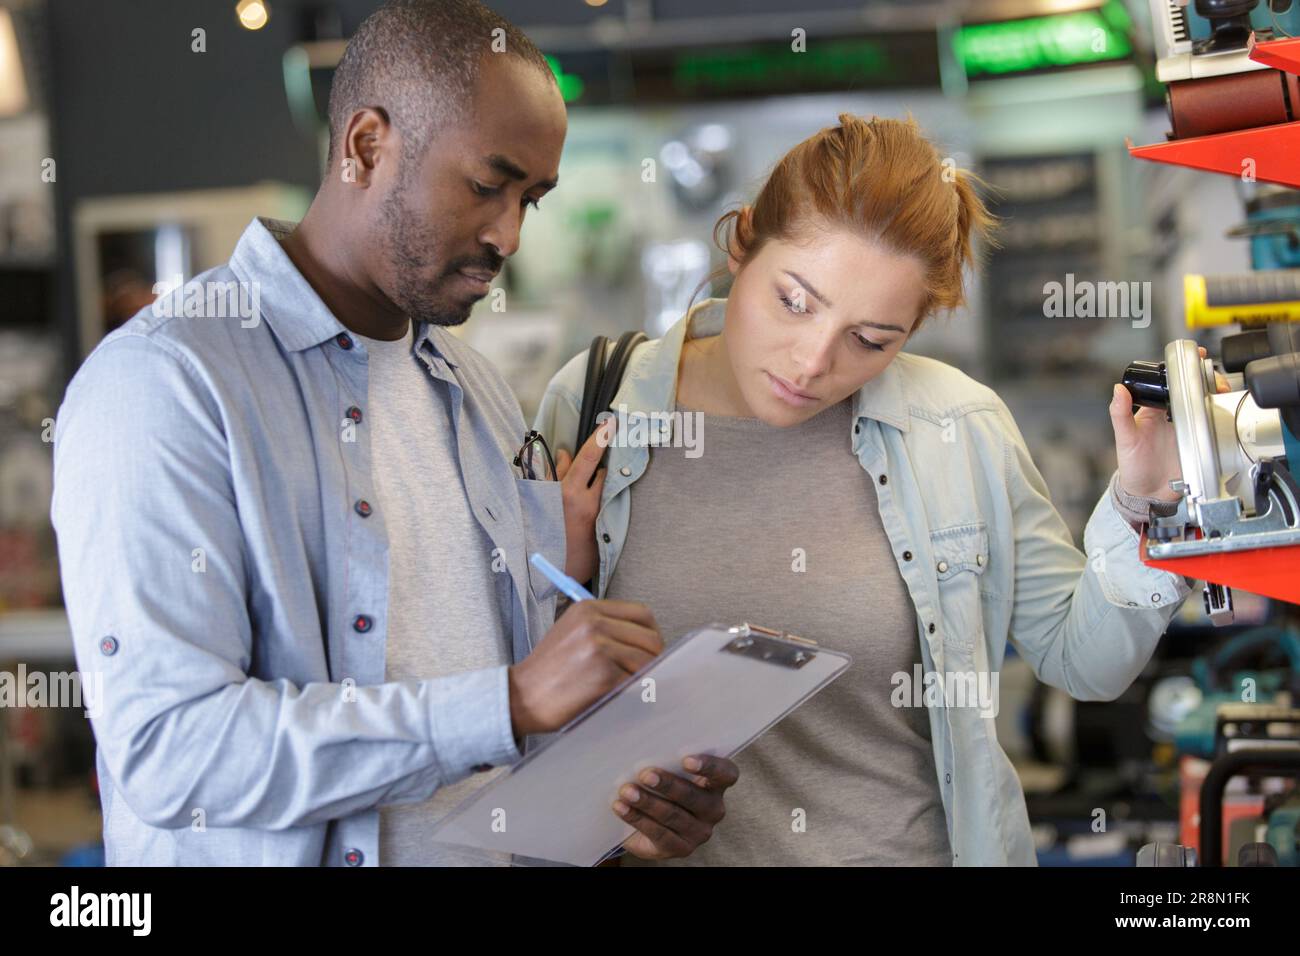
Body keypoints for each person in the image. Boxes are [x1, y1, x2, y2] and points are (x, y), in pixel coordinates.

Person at [50, 0, 735, 867]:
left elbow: (492, 737)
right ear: (367, 145)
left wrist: (619, 806)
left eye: (533, 198)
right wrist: (510, 701)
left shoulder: (476, 391)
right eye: (489, 185)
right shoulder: (164, 383)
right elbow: (172, 750)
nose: (509, 234)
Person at [536, 113, 1210, 866]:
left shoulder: (957, 425)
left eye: (870, 339)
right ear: (743, 242)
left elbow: (1085, 662)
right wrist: (549, 576)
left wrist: (1142, 506)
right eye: (794, 301)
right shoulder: (596, 401)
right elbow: (518, 687)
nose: (811, 363)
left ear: (916, 328)